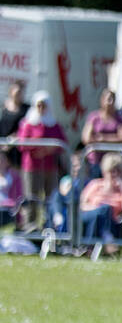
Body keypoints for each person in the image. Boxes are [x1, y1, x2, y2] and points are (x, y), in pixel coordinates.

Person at [15, 90, 67, 231]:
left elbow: (62, 142)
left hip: (50, 166)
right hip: (32, 166)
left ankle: (49, 225)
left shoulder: (53, 124)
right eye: (39, 105)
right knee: (31, 197)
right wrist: (39, 149)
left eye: (44, 105)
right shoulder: (28, 123)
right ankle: (29, 226)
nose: (41, 109)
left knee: (51, 197)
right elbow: (22, 143)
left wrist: (49, 149)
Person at [78, 152, 122, 254]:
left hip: (112, 224)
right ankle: (106, 240)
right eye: (111, 171)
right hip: (89, 216)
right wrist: (98, 209)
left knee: (105, 211)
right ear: (105, 171)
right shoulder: (95, 184)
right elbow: (82, 205)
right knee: (104, 209)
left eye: (118, 171)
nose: (115, 174)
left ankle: (90, 248)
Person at [81, 88, 122, 175]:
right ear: (102, 100)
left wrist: (102, 138)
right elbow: (86, 138)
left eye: (113, 99)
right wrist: (111, 139)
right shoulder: (94, 117)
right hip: (95, 161)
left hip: (112, 162)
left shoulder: (118, 118)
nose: (111, 101)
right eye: (109, 99)